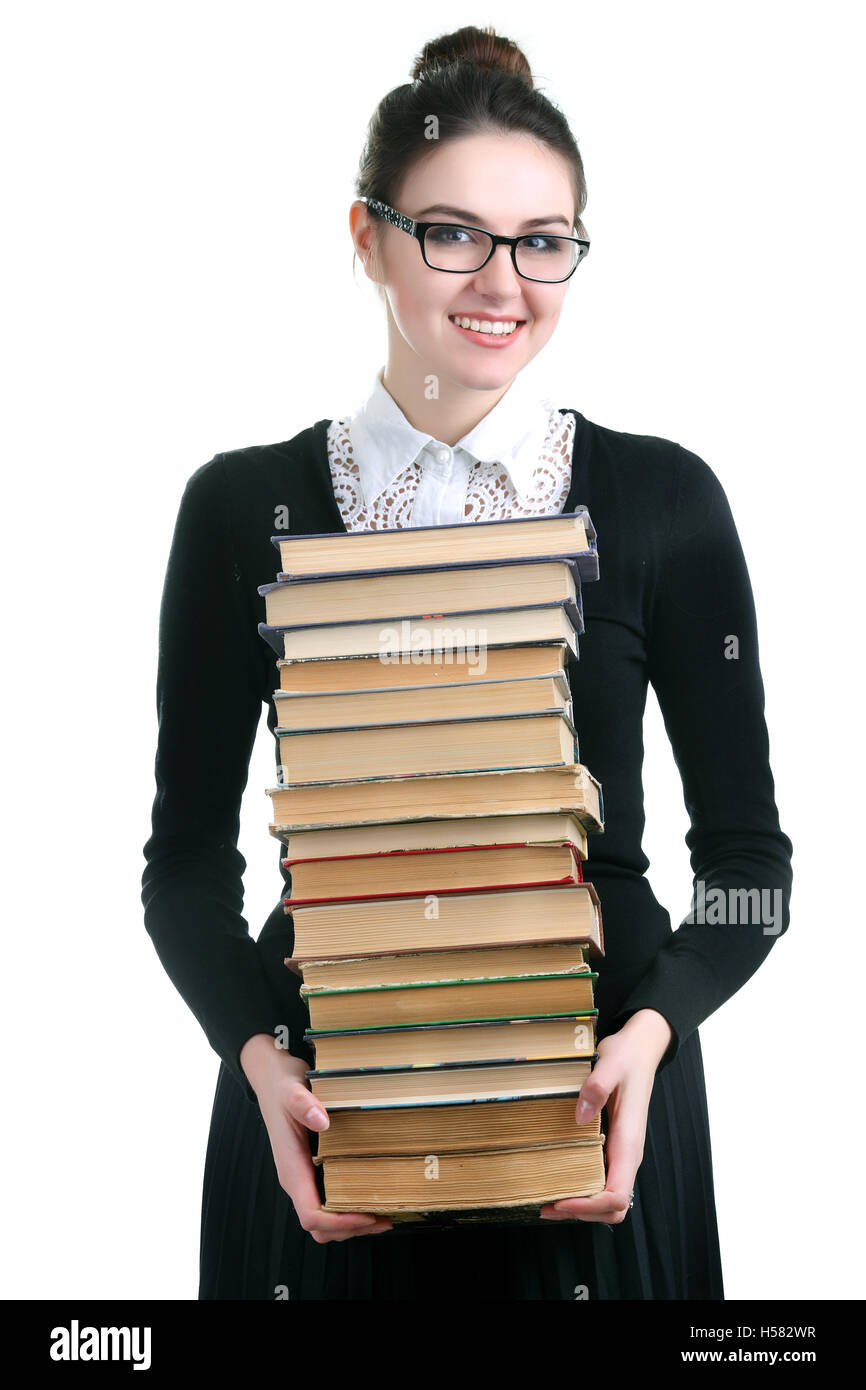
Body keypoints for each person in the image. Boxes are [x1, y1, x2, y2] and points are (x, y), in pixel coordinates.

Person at [141, 24, 793, 1300]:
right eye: (452, 232)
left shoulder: (661, 503)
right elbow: (181, 869)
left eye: (541, 240)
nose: (501, 280)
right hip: (323, 1121)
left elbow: (749, 872)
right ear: (366, 236)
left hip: (600, 1120)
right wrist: (255, 1056)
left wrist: (652, 1033)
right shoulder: (241, 509)